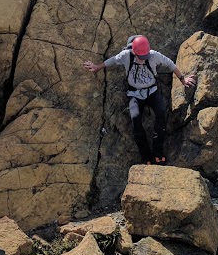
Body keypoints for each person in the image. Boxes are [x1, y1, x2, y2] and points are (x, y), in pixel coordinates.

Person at [84, 34, 196, 163]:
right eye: (141, 57)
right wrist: (97, 67)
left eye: (145, 56)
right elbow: (112, 60)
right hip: (134, 94)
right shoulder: (126, 55)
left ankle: (157, 152)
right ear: (134, 51)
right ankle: (146, 156)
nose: (144, 59)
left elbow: (170, 64)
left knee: (161, 114)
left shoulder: (154, 55)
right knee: (136, 121)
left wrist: (183, 79)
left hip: (152, 91)